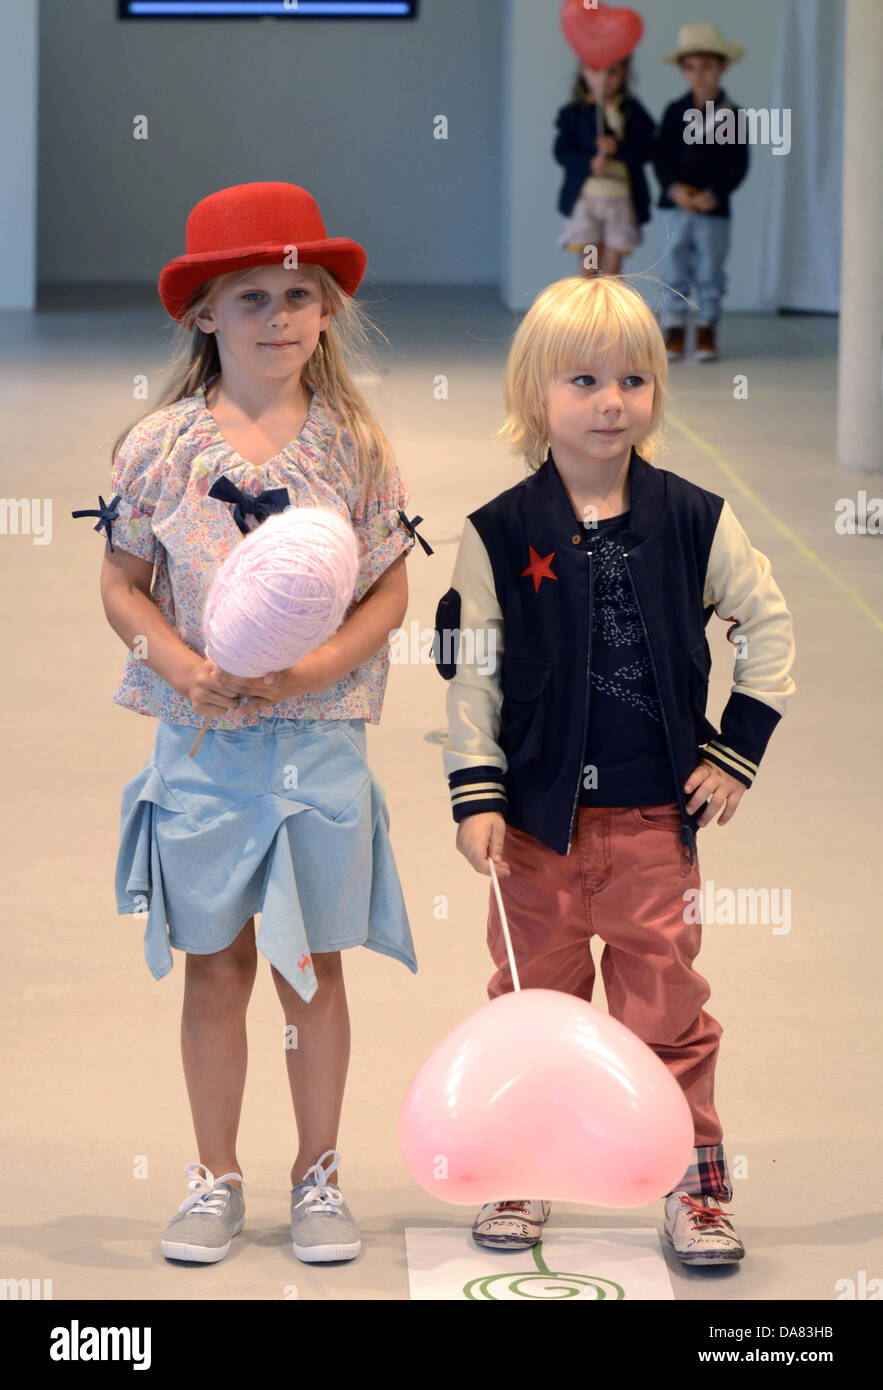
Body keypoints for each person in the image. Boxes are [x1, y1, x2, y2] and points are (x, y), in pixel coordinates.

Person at [75, 181, 428, 1267]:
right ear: (202, 315)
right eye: (251, 297)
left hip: (317, 746)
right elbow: (124, 582)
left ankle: (318, 1174)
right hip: (203, 749)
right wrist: (180, 664)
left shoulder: (356, 444)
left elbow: (389, 590)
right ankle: (213, 1173)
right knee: (216, 965)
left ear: (325, 309)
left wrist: (318, 664)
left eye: (298, 294)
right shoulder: (159, 446)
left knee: (312, 965)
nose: (279, 317)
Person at [433, 275, 795, 1267]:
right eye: (583, 380)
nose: (610, 401)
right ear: (531, 396)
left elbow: (766, 624)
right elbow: (472, 675)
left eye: (633, 379)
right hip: (534, 834)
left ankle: (695, 1181)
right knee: (531, 1007)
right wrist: (476, 792)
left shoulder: (694, 520)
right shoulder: (497, 535)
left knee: (665, 1008)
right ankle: (524, 1165)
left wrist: (735, 750)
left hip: (650, 826)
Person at [653, 23, 749, 362]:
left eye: (707, 66)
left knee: (710, 268)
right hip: (675, 206)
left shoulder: (732, 115)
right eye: (691, 67)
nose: (699, 75)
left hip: (713, 209)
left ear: (723, 67)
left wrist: (714, 194)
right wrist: (675, 189)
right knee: (673, 266)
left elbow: (738, 165)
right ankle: (674, 329)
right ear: (682, 71)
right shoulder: (673, 111)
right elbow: (660, 157)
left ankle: (707, 327)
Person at [553, 55, 655, 277]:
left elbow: (647, 150)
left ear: (625, 73)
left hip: (620, 203)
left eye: (613, 72)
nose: (604, 79)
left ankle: (610, 311)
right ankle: (588, 311)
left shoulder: (633, 112)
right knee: (589, 264)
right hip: (586, 203)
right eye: (596, 71)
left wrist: (618, 148)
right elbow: (562, 152)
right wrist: (589, 164)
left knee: (612, 268)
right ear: (583, 71)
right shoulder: (574, 113)